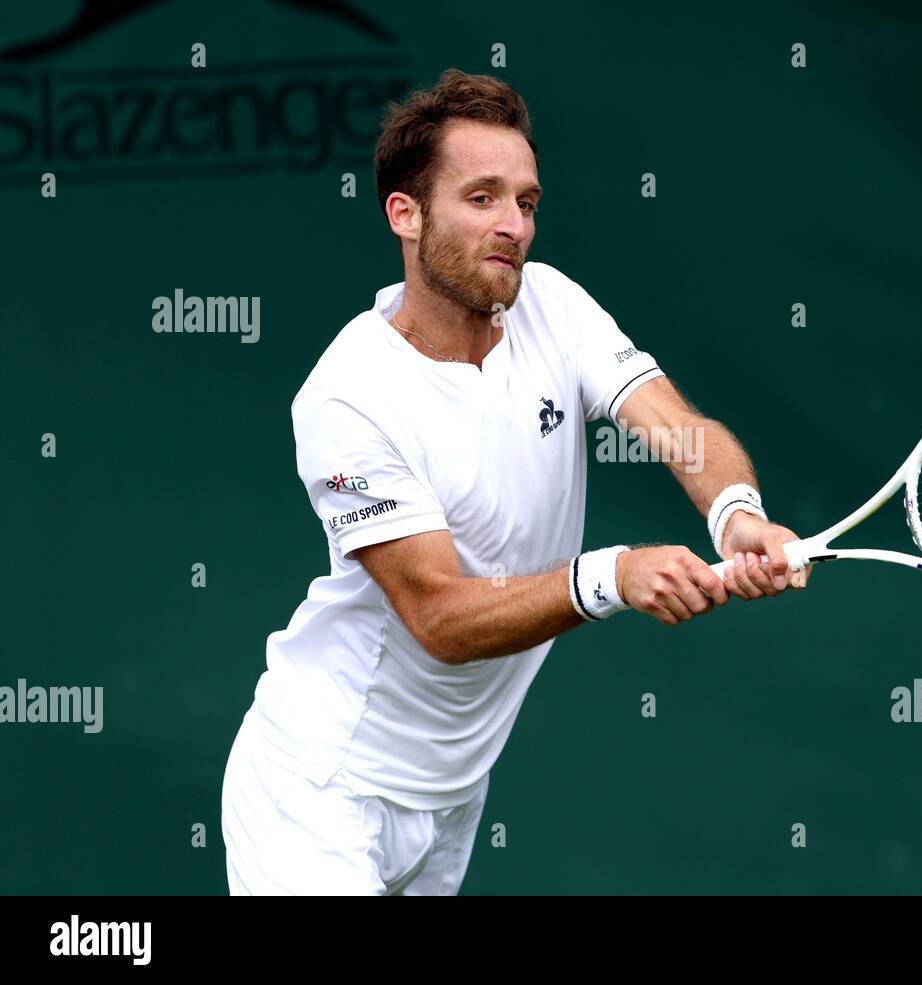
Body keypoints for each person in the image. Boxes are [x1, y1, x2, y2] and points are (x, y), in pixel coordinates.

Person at [221, 68, 808, 895]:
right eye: (482, 198)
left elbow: (673, 425)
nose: (513, 226)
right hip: (319, 787)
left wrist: (737, 514)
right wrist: (613, 575)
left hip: (455, 793)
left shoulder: (554, 308)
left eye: (526, 202)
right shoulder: (347, 397)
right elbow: (437, 613)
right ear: (405, 213)